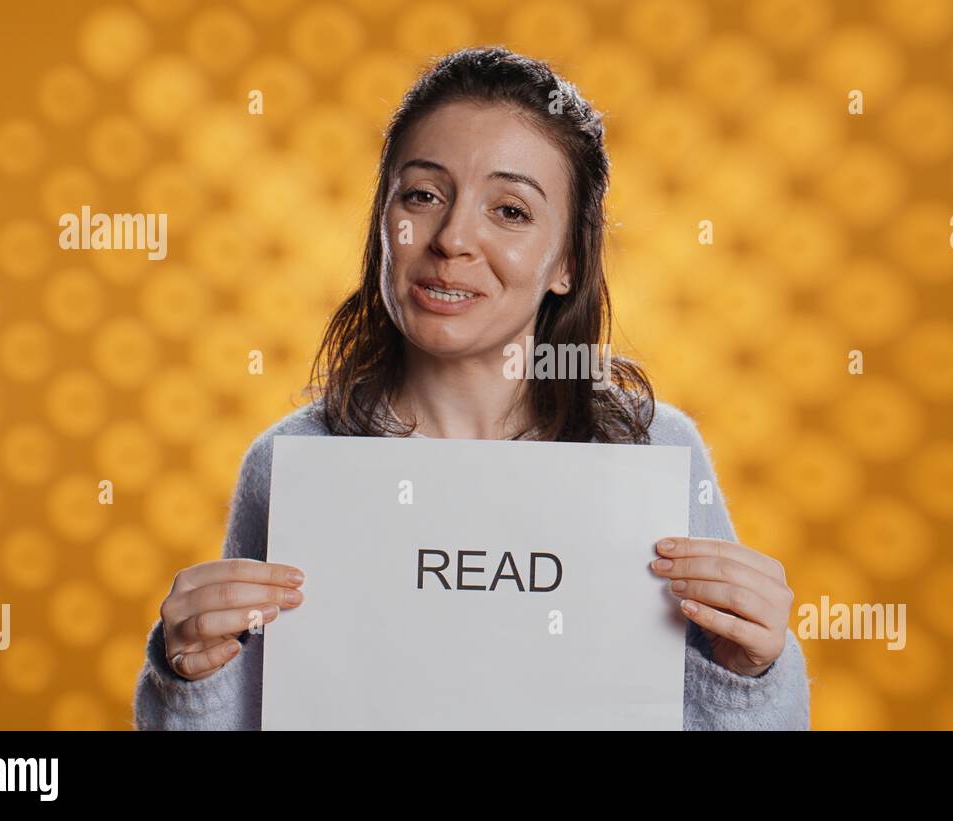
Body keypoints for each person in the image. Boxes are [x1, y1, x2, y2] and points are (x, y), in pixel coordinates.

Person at [133, 46, 809, 731]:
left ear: (569, 261)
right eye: (423, 195)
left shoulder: (656, 452)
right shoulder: (294, 462)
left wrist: (748, 672)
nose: (452, 238)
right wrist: (192, 675)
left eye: (510, 210)